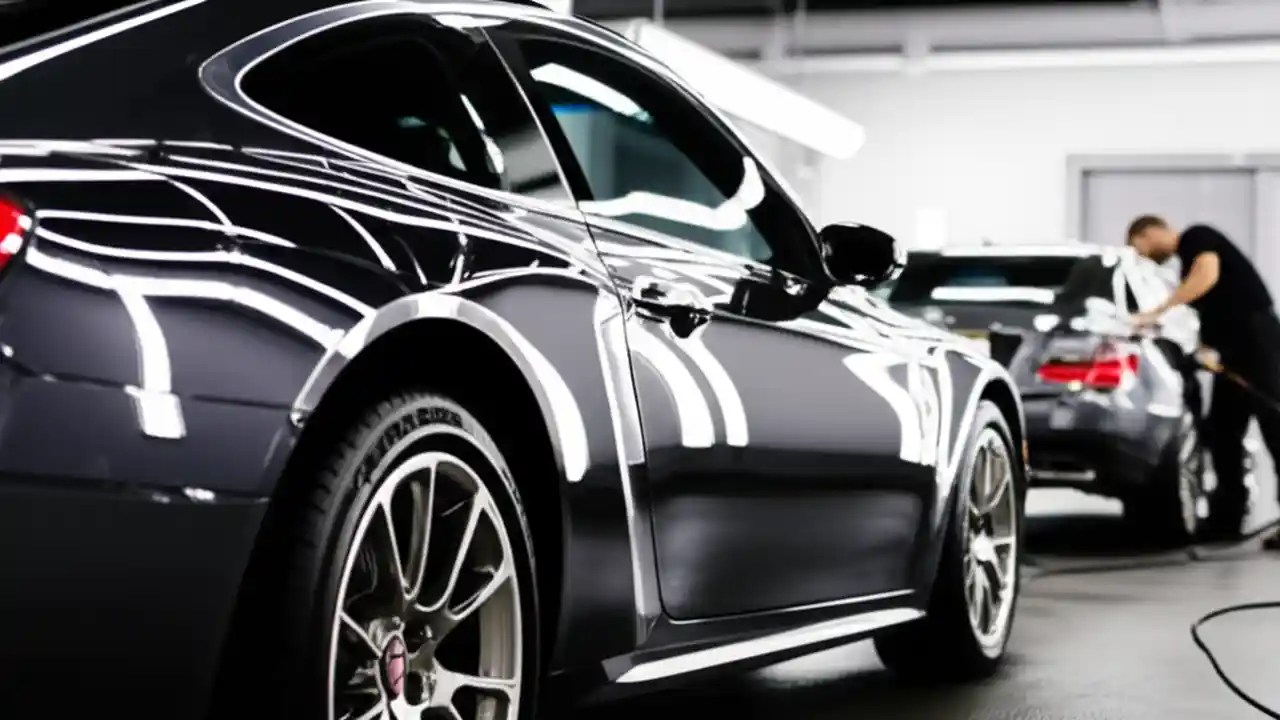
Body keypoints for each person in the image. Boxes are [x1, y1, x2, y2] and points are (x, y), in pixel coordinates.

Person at [1127, 216, 1280, 546]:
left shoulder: (1198, 236)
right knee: (1224, 432)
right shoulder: (1186, 265)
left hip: (1257, 342)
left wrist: (1158, 311)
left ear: (1149, 232)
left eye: (1138, 247)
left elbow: (1208, 275)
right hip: (1233, 352)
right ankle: (1227, 519)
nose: (1142, 255)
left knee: (1275, 425)